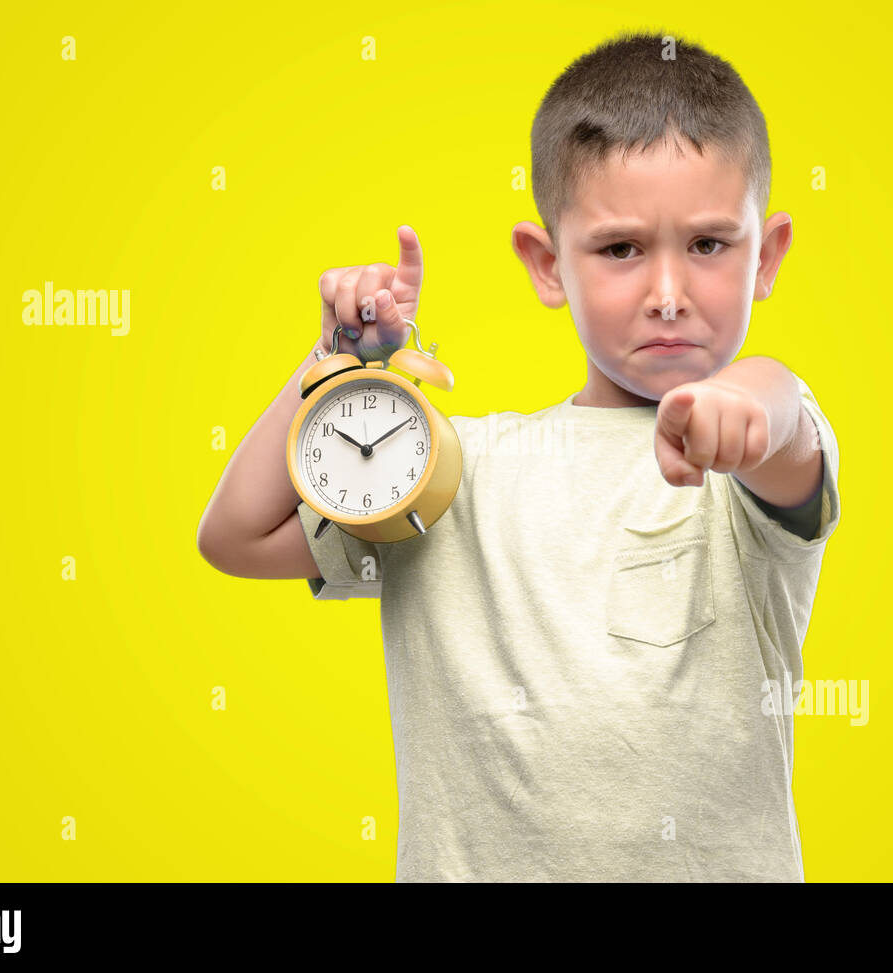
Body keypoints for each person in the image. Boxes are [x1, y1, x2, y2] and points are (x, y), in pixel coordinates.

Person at [197, 30, 842, 882]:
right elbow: (235, 536)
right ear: (547, 265)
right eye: (620, 249)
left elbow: (780, 411)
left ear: (769, 256)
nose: (669, 294)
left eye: (710, 244)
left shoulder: (748, 465)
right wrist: (337, 365)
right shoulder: (449, 472)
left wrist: (743, 407)